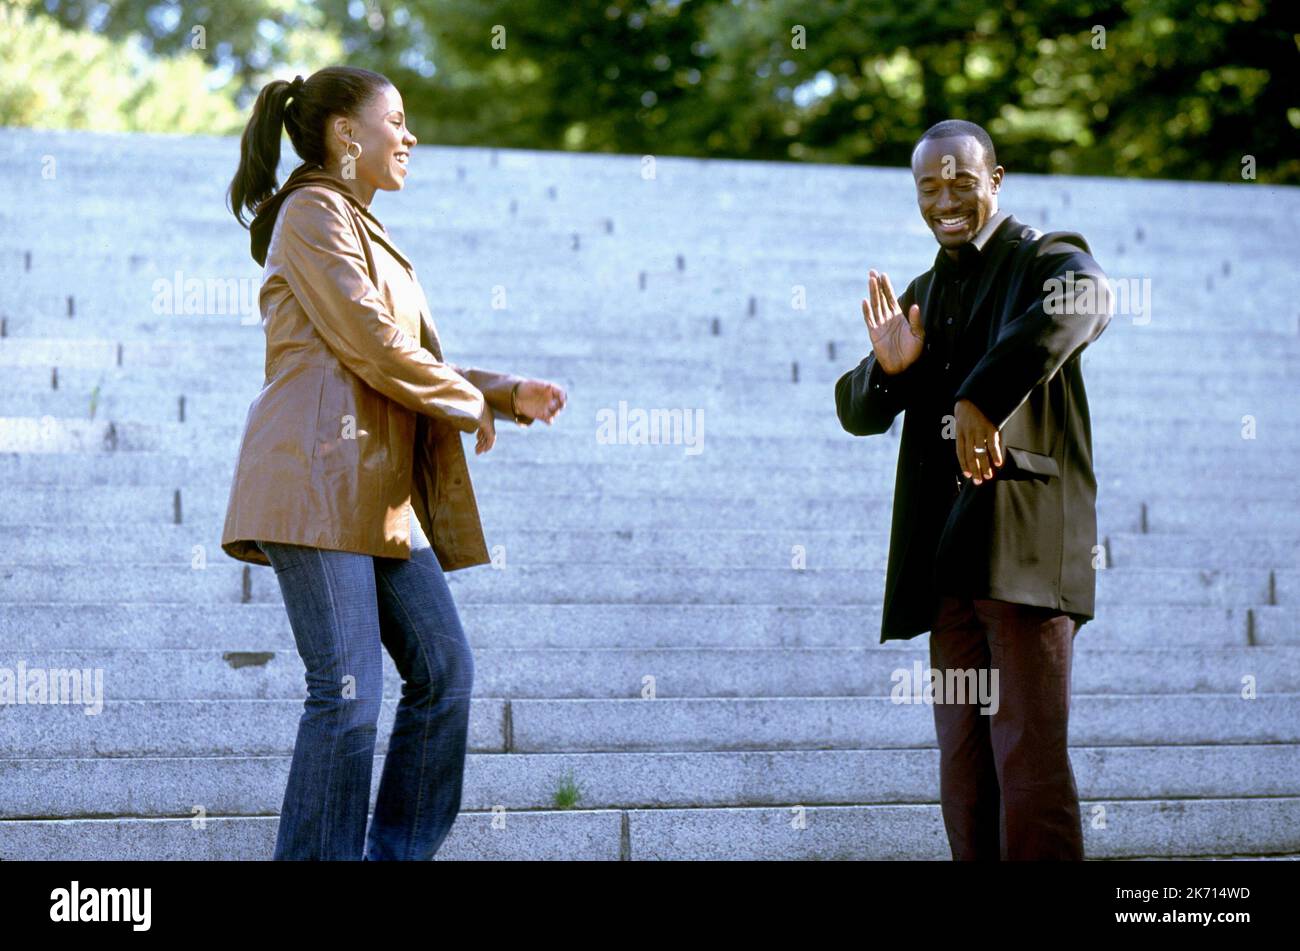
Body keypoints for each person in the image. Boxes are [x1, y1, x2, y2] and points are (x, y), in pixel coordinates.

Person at [221, 66, 567, 860]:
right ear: (348, 133)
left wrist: (503, 391)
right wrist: (468, 402)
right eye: (397, 121)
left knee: (445, 672)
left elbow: (396, 348)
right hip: (312, 480)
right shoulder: (310, 212)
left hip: (376, 493)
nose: (409, 138)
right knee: (345, 696)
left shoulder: (361, 227)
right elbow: (372, 344)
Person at [834, 119, 1112, 860]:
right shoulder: (924, 290)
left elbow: (1087, 297)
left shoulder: (1044, 256)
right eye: (929, 185)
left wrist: (979, 396)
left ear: (996, 180)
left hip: (1023, 556)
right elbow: (854, 410)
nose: (945, 198)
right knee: (964, 767)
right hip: (949, 564)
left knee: (1027, 764)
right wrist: (889, 370)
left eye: (962, 180)